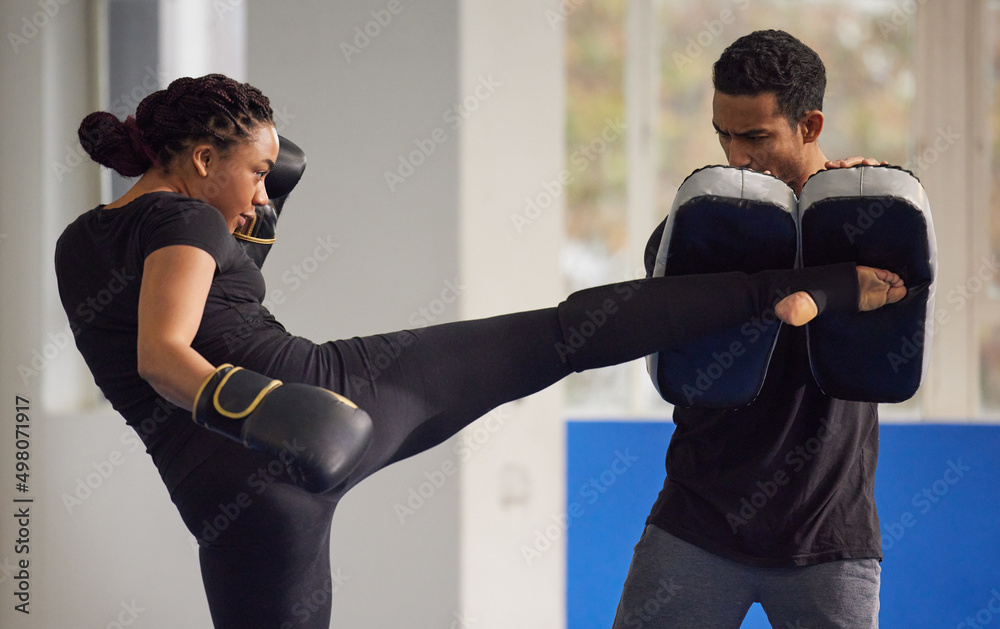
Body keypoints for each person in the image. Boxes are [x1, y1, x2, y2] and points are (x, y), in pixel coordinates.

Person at [54, 73, 903, 629]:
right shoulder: (190, 216)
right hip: (317, 396)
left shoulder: (81, 242)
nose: (262, 195)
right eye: (256, 172)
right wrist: (275, 409)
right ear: (201, 157)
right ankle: (796, 285)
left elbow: (212, 295)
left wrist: (264, 188)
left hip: (224, 501)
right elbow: (168, 354)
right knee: (562, 333)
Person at [612, 30, 895, 629]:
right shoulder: (693, 231)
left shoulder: (868, 224)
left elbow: (903, 297)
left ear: (810, 126)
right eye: (724, 133)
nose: (736, 155)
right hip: (696, 527)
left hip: (828, 538)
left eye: (756, 137)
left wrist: (869, 215)